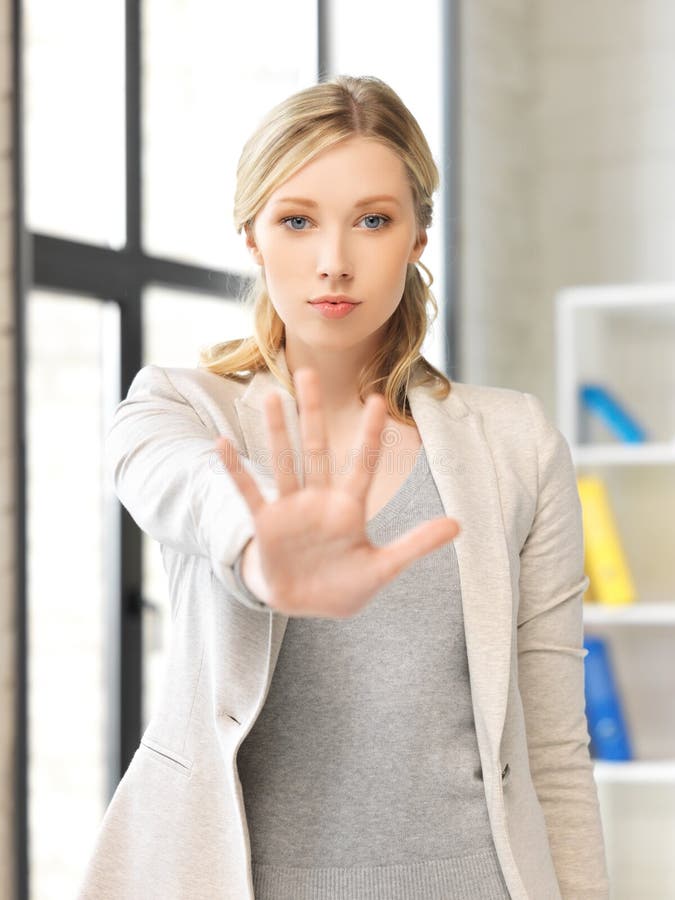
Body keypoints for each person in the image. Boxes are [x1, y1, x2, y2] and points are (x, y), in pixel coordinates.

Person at [77, 75, 610, 900]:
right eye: (296, 221)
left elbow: (551, 748)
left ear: (418, 235)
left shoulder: (514, 442)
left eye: (372, 220)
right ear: (252, 237)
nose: (333, 261)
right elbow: (178, 485)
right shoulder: (178, 407)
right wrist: (261, 548)